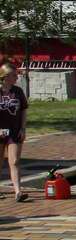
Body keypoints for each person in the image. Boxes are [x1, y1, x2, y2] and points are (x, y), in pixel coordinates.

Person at [0, 63, 28, 202]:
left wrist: (23, 128)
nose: (16, 77)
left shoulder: (18, 91)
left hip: (14, 131)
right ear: (5, 77)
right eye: (13, 75)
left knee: (15, 161)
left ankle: (18, 191)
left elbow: (23, 110)